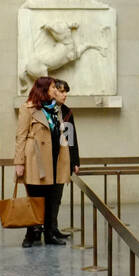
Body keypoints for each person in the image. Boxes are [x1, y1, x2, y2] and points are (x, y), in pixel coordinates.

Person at [13, 76, 70, 248]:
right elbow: (20, 136)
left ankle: (50, 233)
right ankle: (31, 234)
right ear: (43, 89)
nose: (55, 90)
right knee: (35, 197)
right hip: (35, 160)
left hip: (55, 159)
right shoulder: (27, 108)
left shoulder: (56, 109)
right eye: (53, 87)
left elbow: (65, 134)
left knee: (52, 197)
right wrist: (19, 162)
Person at [49, 78, 81, 239]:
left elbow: (71, 139)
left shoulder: (67, 112)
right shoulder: (45, 110)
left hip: (62, 160)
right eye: (61, 91)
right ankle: (39, 228)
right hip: (47, 159)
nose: (65, 94)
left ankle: (53, 228)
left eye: (66, 91)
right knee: (43, 197)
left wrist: (75, 162)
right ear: (53, 92)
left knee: (57, 196)